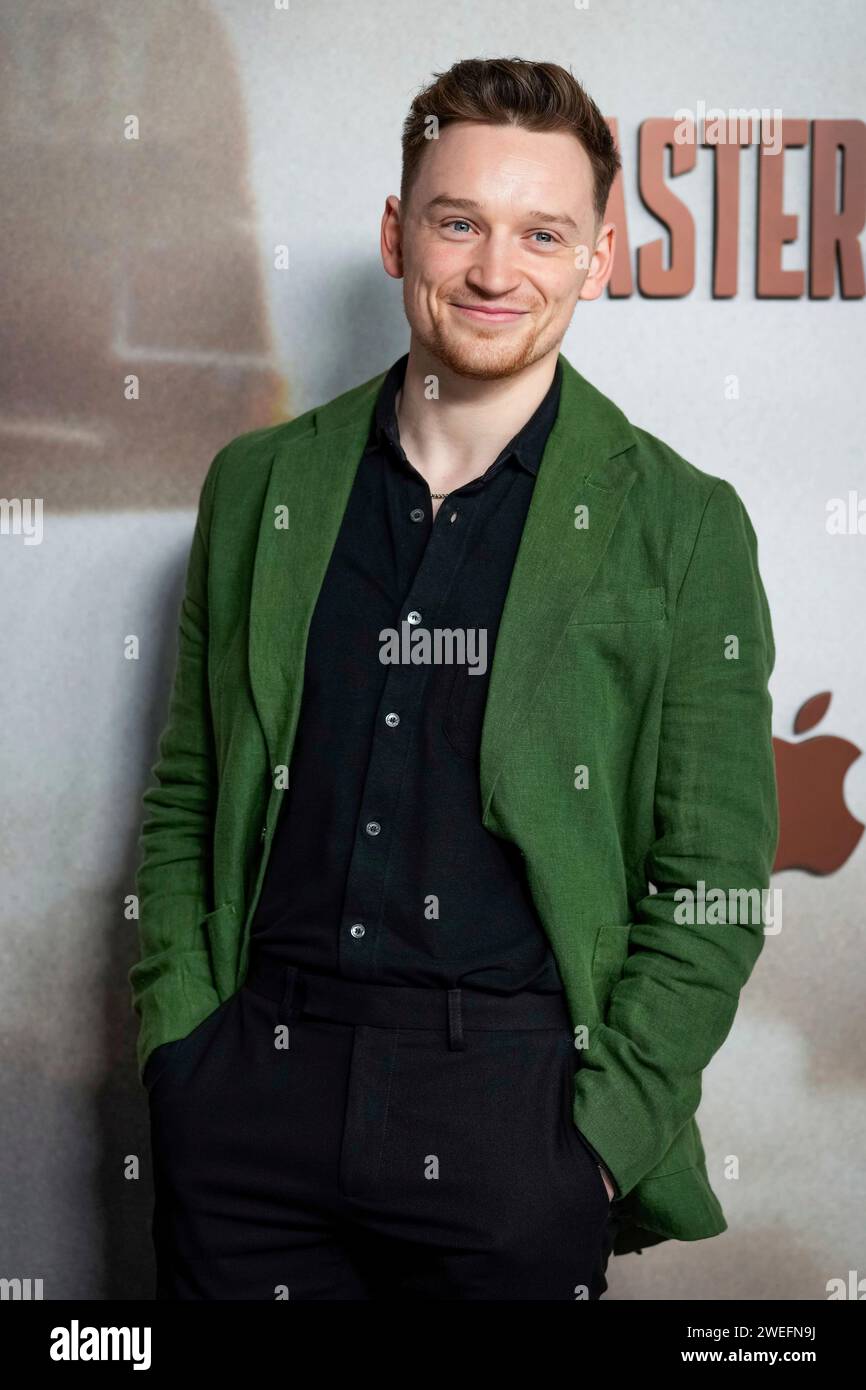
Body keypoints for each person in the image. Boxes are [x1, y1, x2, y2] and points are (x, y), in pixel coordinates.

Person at [130, 56, 778, 1301]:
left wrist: (589, 1146)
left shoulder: (682, 525)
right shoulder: (259, 485)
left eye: (543, 232)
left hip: (514, 1114)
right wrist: (180, 1048)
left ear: (595, 260)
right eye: (458, 221)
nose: (495, 270)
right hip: (247, 1097)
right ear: (395, 234)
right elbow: (186, 792)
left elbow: (715, 881)